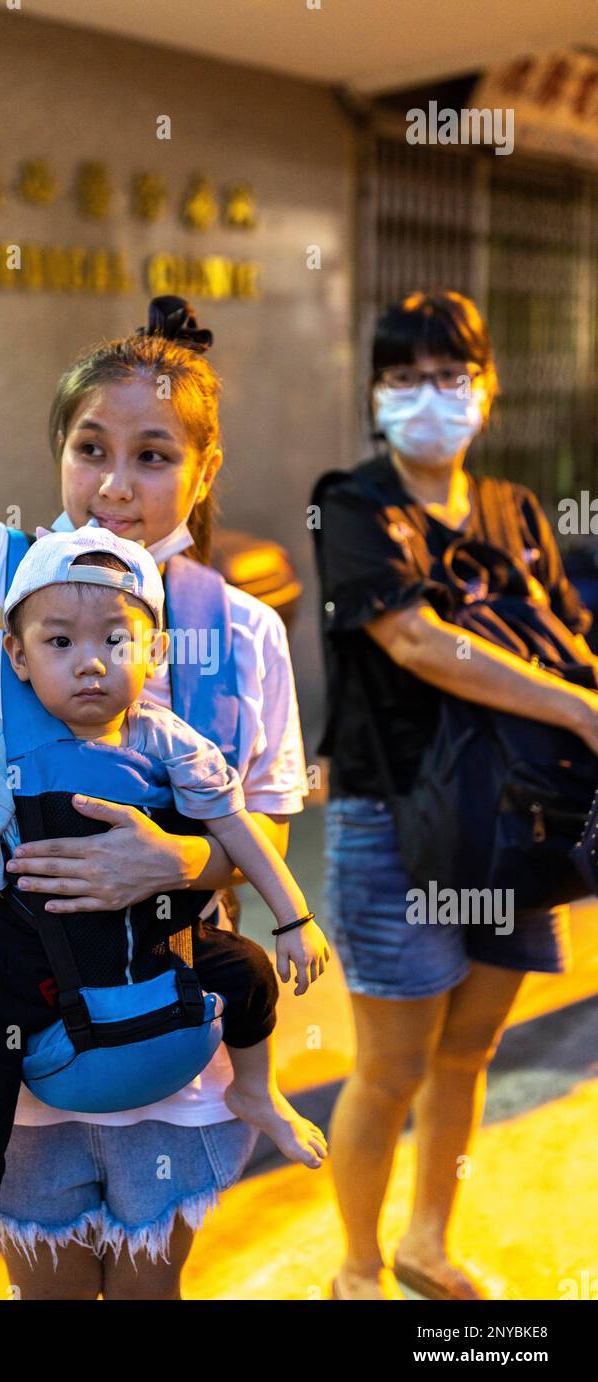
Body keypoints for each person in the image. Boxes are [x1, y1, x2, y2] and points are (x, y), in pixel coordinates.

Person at [0, 111, 315, 1297]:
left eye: (150, 454)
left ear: (198, 472)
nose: (116, 485)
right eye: (91, 448)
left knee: (144, 1292)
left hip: (171, 1048)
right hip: (19, 1057)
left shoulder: (242, 633)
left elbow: (265, 832)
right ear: (57, 456)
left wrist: (171, 865)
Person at [0, 527, 329, 1298]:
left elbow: (237, 826)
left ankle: (254, 1089)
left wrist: (294, 917)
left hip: (146, 938)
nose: (92, 661)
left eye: (116, 638)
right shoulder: (6, 755)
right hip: (32, 959)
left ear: (156, 651)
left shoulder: (166, 738)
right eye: (61, 642)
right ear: (19, 657)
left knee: (243, 974)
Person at [313, 290, 598, 1301]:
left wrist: (579, 701)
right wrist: (575, 708)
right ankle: (353, 1264)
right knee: (387, 1068)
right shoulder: (350, 504)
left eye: (447, 374)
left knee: (466, 1052)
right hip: (389, 822)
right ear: (373, 394)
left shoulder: (514, 511)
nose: (427, 396)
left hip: (514, 827)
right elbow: (416, 640)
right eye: (401, 376)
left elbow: (568, 635)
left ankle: (424, 1241)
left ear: (485, 387)